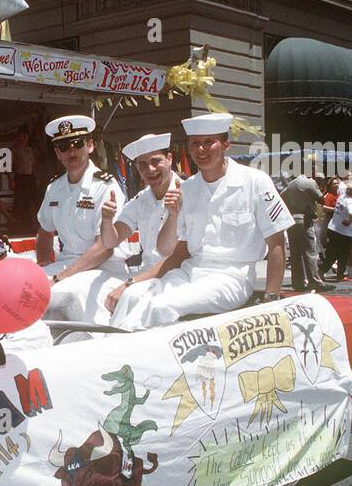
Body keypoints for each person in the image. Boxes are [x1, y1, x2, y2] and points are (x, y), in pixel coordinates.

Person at [110, 113, 294, 330]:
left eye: (209, 142)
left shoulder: (254, 182)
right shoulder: (187, 188)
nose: (201, 150)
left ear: (226, 144)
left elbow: (276, 242)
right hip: (190, 271)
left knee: (161, 306)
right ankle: (113, 351)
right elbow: (174, 250)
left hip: (231, 276)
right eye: (195, 143)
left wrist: (270, 299)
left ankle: (137, 360)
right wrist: (173, 215)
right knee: (132, 296)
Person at [47, 132, 180, 323]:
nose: (150, 170)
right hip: (146, 276)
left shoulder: (187, 192)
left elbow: (178, 257)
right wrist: (107, 220)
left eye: (155, 161)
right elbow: (111, 241)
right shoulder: (141, 200)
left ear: (169, 159)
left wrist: (129, 284)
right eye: (142, 164)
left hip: (174, 275)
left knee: (128, 306)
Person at [36, 114, 117, 279]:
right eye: (64, 147)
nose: (71, 151)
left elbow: (104, 248)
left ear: (90, 146)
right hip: (66, 264)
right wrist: (43, 265)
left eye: (77, 144)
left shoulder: (105, 186)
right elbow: (45, 231)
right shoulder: (54, 188)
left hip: (102, 268)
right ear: (57, 153)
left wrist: (61, 277)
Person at [280, 172, 331, 292]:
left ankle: (298, 283)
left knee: (295, 254)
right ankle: (315, 282)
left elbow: (282, 197)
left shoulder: (290, 185)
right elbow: (322, 200)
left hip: (292, 220)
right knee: (310, 252)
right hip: (305, 219)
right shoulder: (310, 183)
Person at [10, 130, 37, 231]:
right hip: (20, 177)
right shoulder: (15, 150)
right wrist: (11, 180)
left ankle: (28, 226)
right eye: (22, 137)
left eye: (26, 137)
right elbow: (9, 166)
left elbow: (33, 164)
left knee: (29, 202)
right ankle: (16, 227)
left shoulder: (28, 150)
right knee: (19, 202)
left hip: (29, 177)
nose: (24, 139)